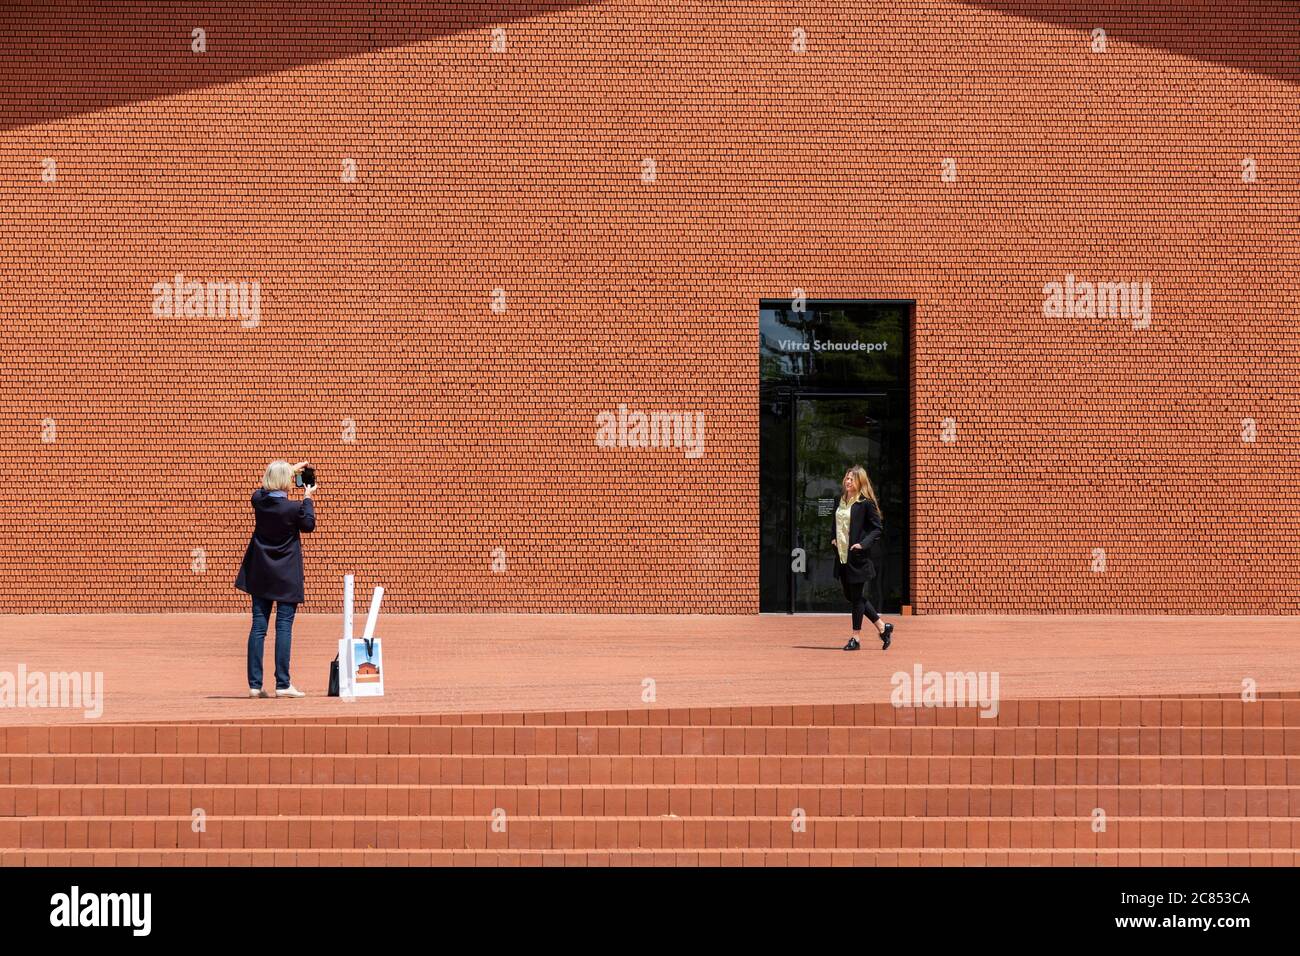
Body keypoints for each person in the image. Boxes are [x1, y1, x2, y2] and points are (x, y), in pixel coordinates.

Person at [235, 460, 316, 697]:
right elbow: (309, 525)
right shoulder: (294, 508)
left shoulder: (259, 501)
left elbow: (261, 491)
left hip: (261, 572)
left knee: (258, 627)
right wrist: (308, 497)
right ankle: (282, 684)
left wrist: (288, 469)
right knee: (284, 627)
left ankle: (255, 685)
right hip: (286, 574)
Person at [830, 464, 893, 651]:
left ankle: (855, 638)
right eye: (847, 478)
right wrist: (833, 538)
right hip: (842, 556)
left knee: (857, 598)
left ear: (860, 482)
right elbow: (835, 524)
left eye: (852, 479)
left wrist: (863, 544)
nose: (848, 481)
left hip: (857, 557)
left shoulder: (865, 503)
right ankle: (883, 627)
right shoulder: (841, 500)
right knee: (851, 596)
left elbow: (877, 529)